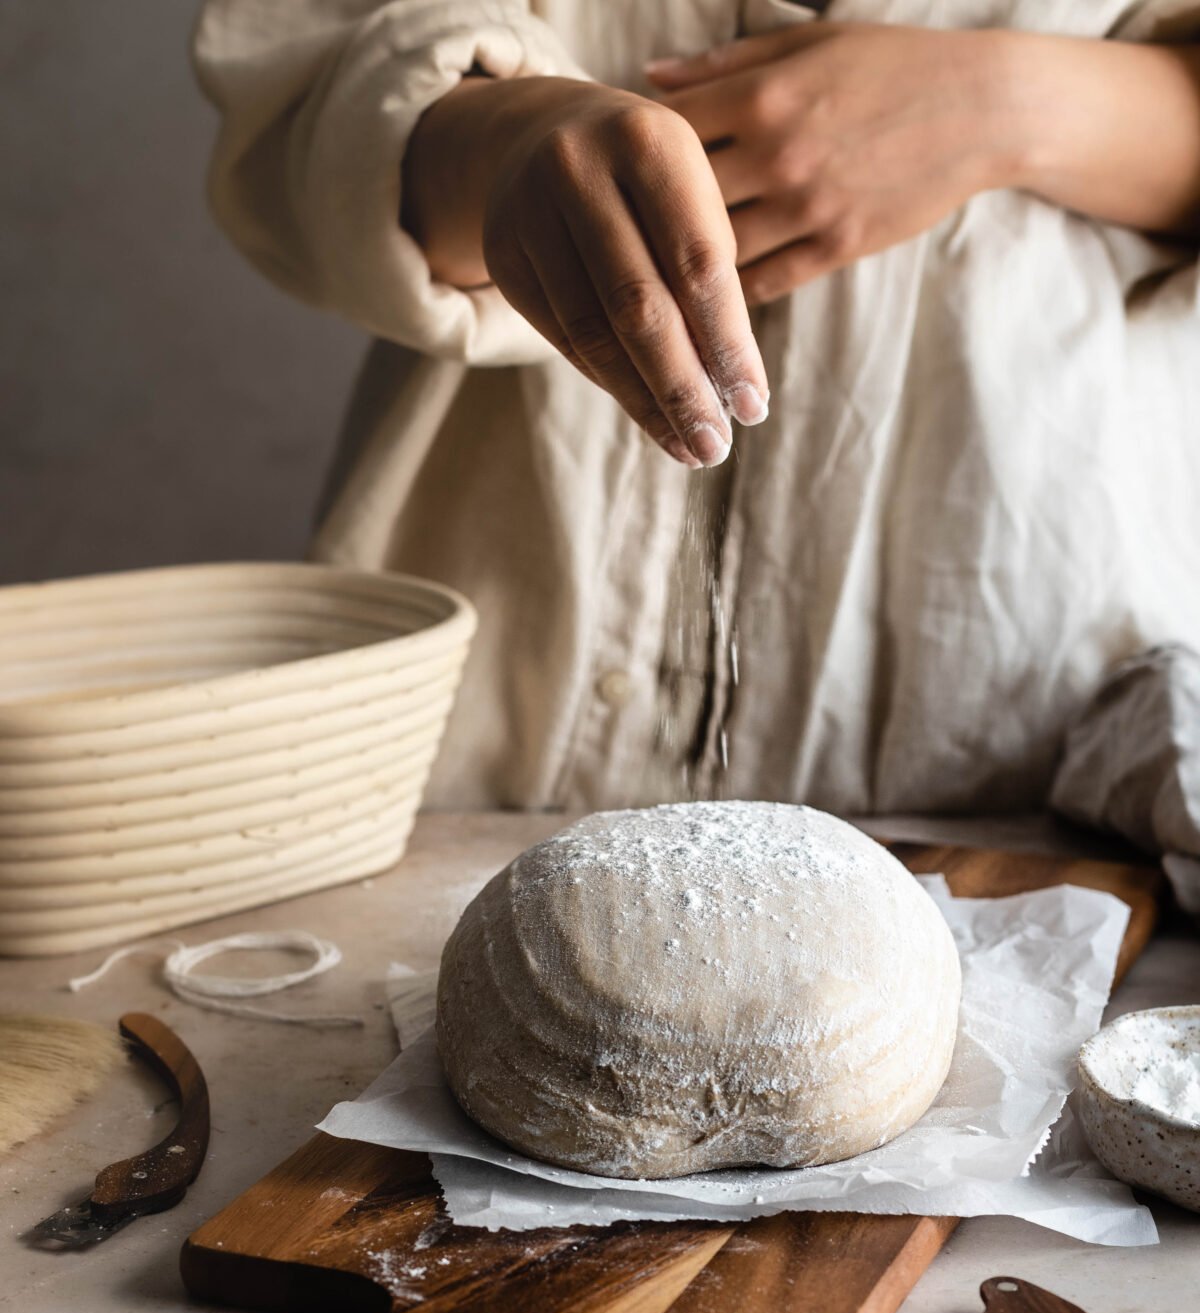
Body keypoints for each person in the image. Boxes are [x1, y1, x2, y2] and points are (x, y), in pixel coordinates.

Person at [192, 1, 1200, 813]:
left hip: (1029, 696)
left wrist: (1005, 102)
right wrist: (503, 140)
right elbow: (297, 94)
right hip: (497, 695)